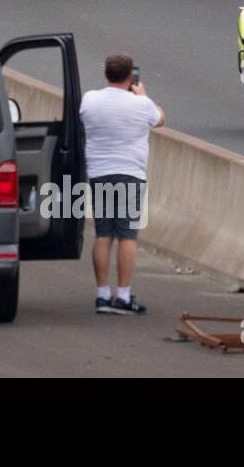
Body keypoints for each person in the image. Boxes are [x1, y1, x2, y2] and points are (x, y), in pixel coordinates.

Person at [80, 54, 164, 316]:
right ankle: (124, 295)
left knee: (103, 234)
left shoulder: (90, 100)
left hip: (99, 173)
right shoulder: (141, 104)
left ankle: (103, 294)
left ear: (106, 74)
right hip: (130, 174)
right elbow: (160, 119)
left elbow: (83, 119)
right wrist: (142, 95)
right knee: (127, 235)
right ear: (131, 76)